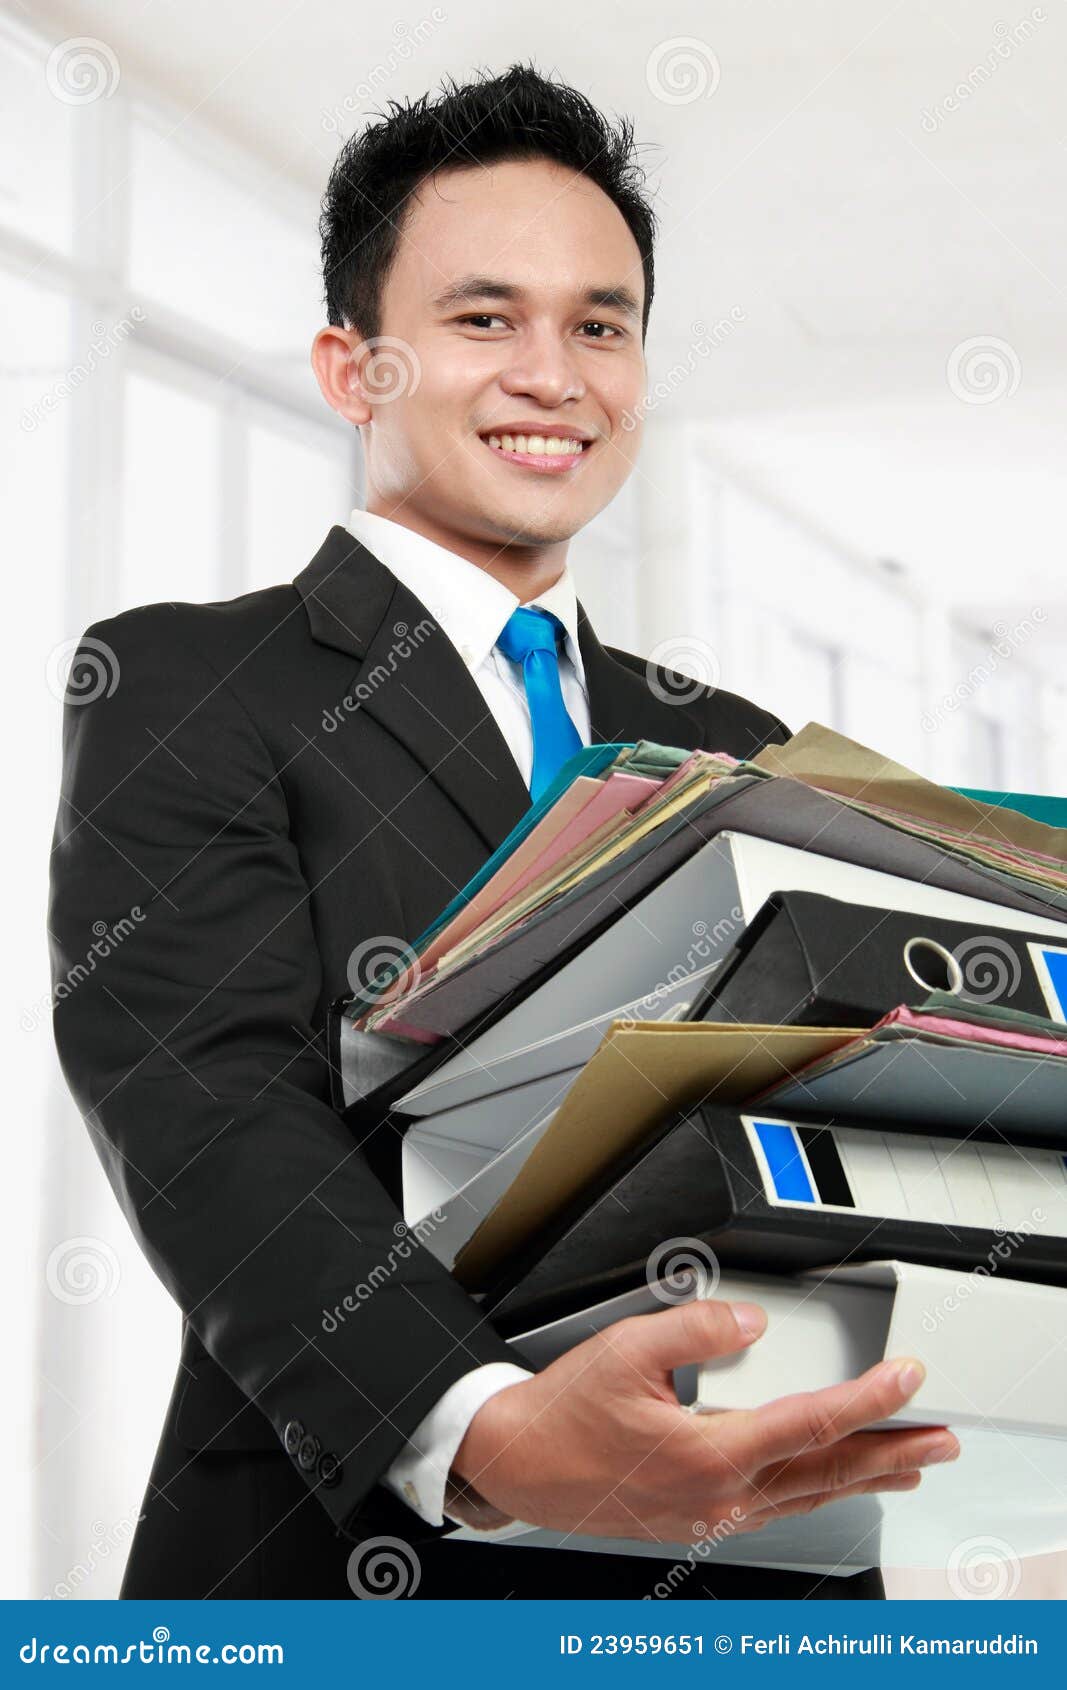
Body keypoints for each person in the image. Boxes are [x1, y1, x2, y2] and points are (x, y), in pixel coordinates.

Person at [48, 63, 957, 1602]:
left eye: (601, 326)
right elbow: (211, 1109)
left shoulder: (738, 741)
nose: (555, 375)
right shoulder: (191, 682)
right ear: (354, 369)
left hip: (750, 1555)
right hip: (351, 1563)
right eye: (485, 320)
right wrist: (486, 1425)